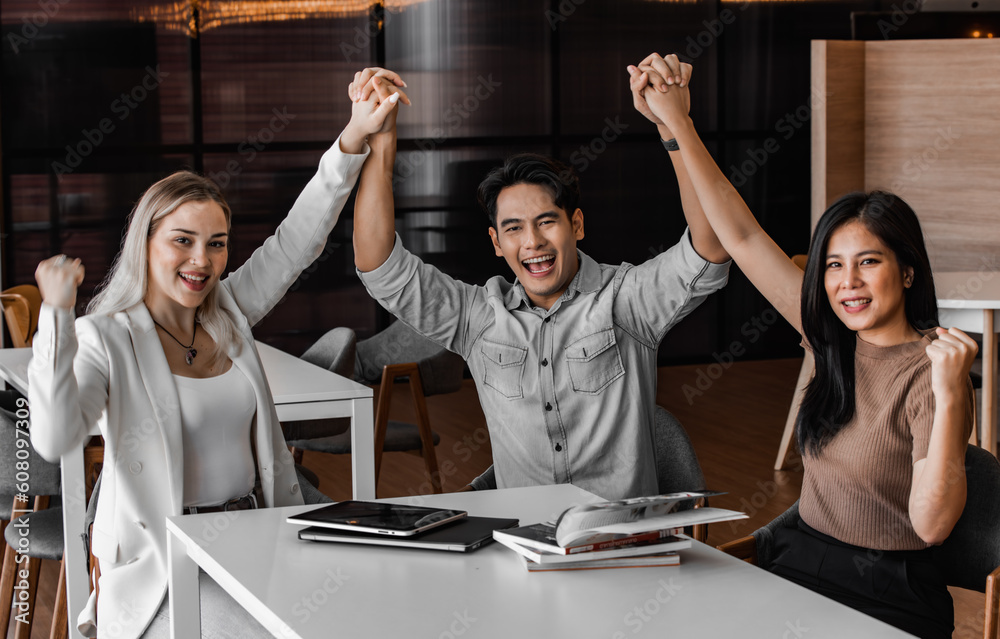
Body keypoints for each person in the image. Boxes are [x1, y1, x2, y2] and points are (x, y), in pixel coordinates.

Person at [27, 80, 403, 638]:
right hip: (167, 568)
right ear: (146, 242)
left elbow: (296, 241)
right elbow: (56, 439)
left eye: (217, 243)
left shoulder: (227, 311)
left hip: (258, 540)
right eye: (182, 240)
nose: (201, 261)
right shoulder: (104, 336)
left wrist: (354, 134)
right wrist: (55, 317)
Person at [630, 53, 976, 638]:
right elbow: (739, 235)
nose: (848, 283)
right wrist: (674, 128)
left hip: (888, 590)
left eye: (869, 262)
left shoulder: (932, 373)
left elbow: (932, 525)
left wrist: (949, 393)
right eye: (834, 266)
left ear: (908, 272)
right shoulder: (828, 333)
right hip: (798, 558)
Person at [347, 62, 731, 501]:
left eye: (547, 222)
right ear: (496, 242)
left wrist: (674, 127)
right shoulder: (478, 318)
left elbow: (711, 246)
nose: (532, 242)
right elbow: (379, 266)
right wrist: (381, 141)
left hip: (620, 547)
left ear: (577, 225)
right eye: (513, 229)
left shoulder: (624, 302)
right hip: (523, 549)